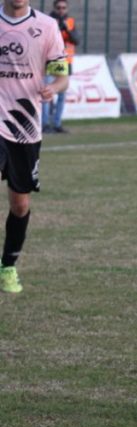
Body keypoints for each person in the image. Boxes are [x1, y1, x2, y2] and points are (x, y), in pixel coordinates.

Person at [0, 0, 69, 294]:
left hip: (25, 127)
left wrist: (53, 87)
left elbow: (62, 76)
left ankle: (7, 266)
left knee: (20, 205)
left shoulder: (47, 26)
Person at [42, 0, 77, 133]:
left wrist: (66, 28)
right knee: (47, 93)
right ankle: (44, 124)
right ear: (54, 8)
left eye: (63, 7)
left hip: (66, 61)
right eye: (59, 7)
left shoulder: (70, 22)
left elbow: (76, 40)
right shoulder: (48, 21)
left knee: (62, 95)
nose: (61, 10)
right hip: (52, 61)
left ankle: (57, 124)